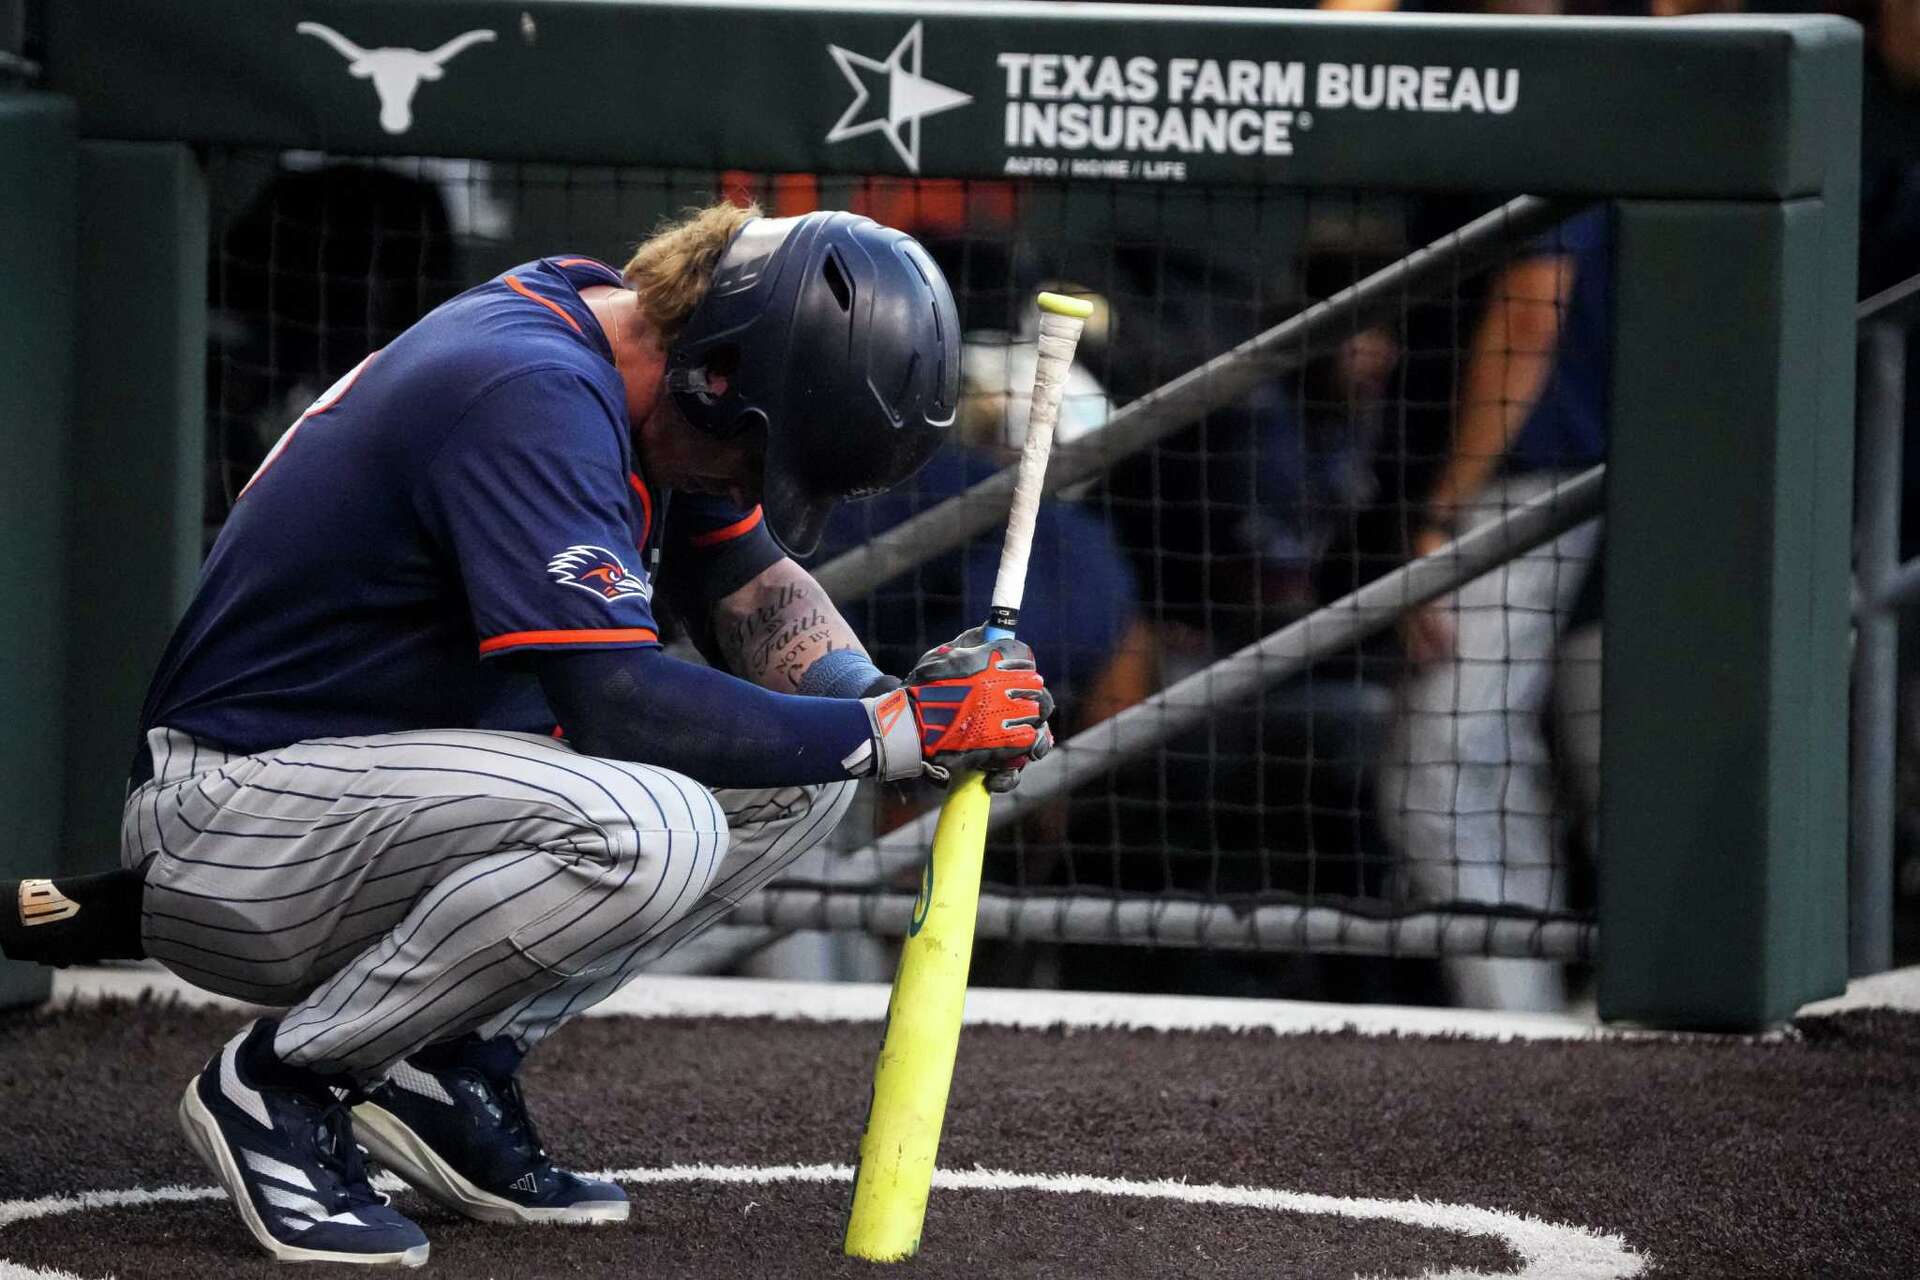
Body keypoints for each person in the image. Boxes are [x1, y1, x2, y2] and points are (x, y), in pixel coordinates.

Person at [2, 204, 1053, 1267]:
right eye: (751, 458)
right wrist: (891, 729)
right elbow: (619, 703)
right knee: (659, 823)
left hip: (369, 808)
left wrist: (896, 702)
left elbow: (742, 579)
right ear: (717, 374)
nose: (746, 486)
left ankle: (441, 1068)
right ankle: (283, 1081)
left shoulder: (638, 348)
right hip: (237, 817)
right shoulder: (530, 386)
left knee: (805, 778)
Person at [1374, 207, 1610, 1013]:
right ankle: (1539, 1023)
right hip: (1574, 492)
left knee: (1438, 775)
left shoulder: (1555, 109)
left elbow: (1530, 308)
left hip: (1528, 491)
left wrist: (1446, 513)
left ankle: (1518, 1028)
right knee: (1510, 768)